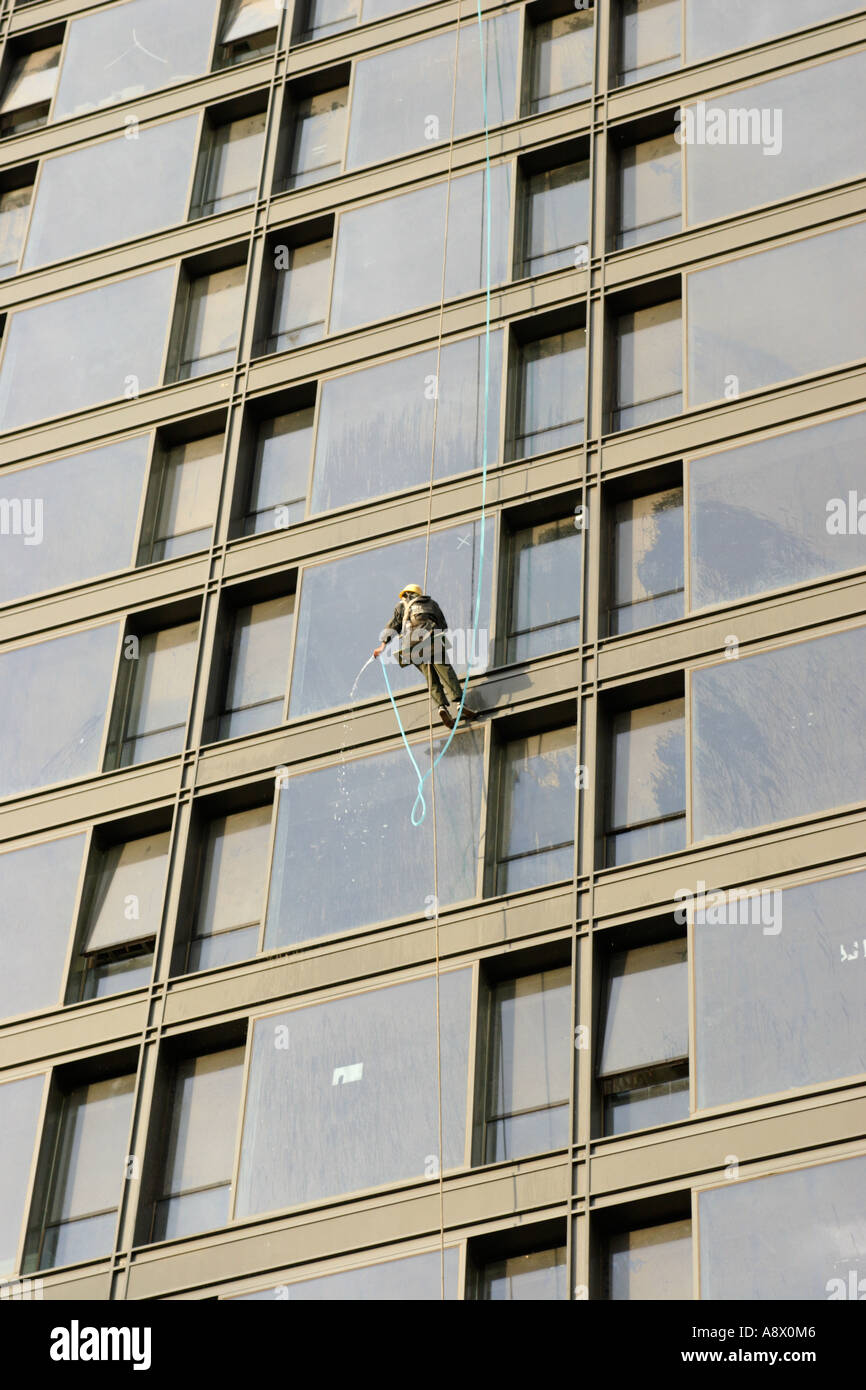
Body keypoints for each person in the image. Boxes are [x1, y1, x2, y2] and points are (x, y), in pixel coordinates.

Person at [373, 583, 482, 730]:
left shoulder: (402, 607)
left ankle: (441, 707)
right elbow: (443, 626)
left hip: (411, 646)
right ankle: (460, 704)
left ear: (405, 594)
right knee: (445, 671)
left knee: (430, 676)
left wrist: (382, 646)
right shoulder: (431, 603)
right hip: (432, 639)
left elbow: (392, 626)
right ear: (419, 594)